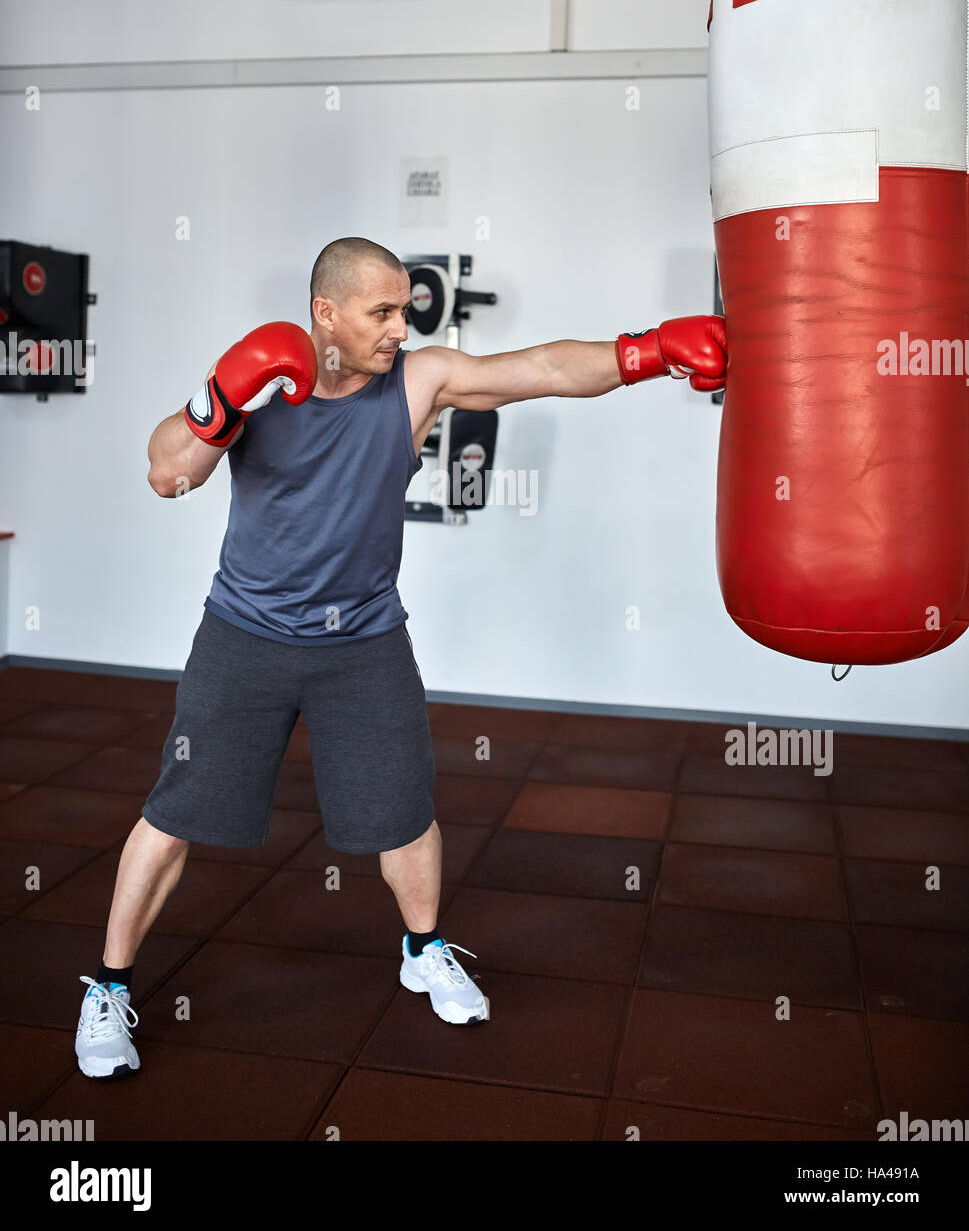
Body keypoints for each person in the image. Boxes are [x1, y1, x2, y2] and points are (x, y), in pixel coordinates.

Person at [75, 236, 727, 1078]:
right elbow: (169, 474)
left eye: (405, 311)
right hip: (243, 637)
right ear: (326, 314)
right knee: (173, 816)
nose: (399, 329)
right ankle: (109, 984)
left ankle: (422, 949)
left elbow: (541, 369)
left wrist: (647, 353)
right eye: (381, 312)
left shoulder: (416, 383)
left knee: (405, 811)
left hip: (365, 641)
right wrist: (219, 398)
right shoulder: (264, 383)